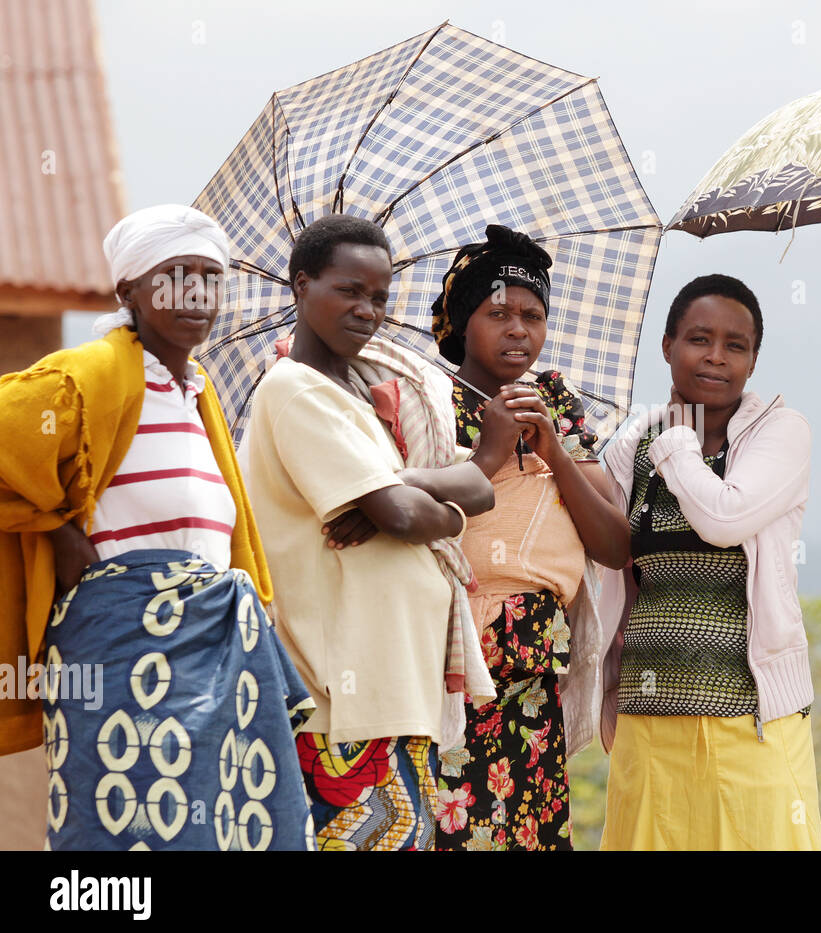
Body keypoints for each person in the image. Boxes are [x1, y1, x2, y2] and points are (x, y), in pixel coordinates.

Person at [0, 204, 314, 850]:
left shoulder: (199, 396)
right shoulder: (90, 376)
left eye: (210, 276)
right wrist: (59, 528)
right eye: (175, 274)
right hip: (118, 643)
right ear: (129, 291)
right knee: (122, 825)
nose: (195, 292)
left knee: (218, 826)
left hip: (210, 641)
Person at [239, 215, 494, 850]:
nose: (367, 310)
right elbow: (406, 518)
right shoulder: (296, 390)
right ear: (302, 286)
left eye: (379, 297)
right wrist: (405, 499)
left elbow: (478, 491)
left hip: (391, 693)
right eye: (349, 290)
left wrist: (397, 481)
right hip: (343, 701)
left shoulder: (357, 399)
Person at [597, 274, 821, 851]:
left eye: (736, 345)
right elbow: (608, 550)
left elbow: (723, 518)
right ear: (667, 345)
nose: (716, 357)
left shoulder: (781, 431)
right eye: (699, 339)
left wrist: (676, 440)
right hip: (648, 718)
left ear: (752, 361)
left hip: (751, 720)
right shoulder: (634, 443)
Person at [427, 224, 626, 850]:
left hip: (532, 673)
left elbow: (616, 543)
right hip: (448, 659)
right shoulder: (426, 400)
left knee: (527, 830)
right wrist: (489, 451)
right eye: (498, 313)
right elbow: (412, 509)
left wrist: (553, 452)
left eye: (533, 315)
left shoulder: (555, 406)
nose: (519, 330)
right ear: (462, 322)